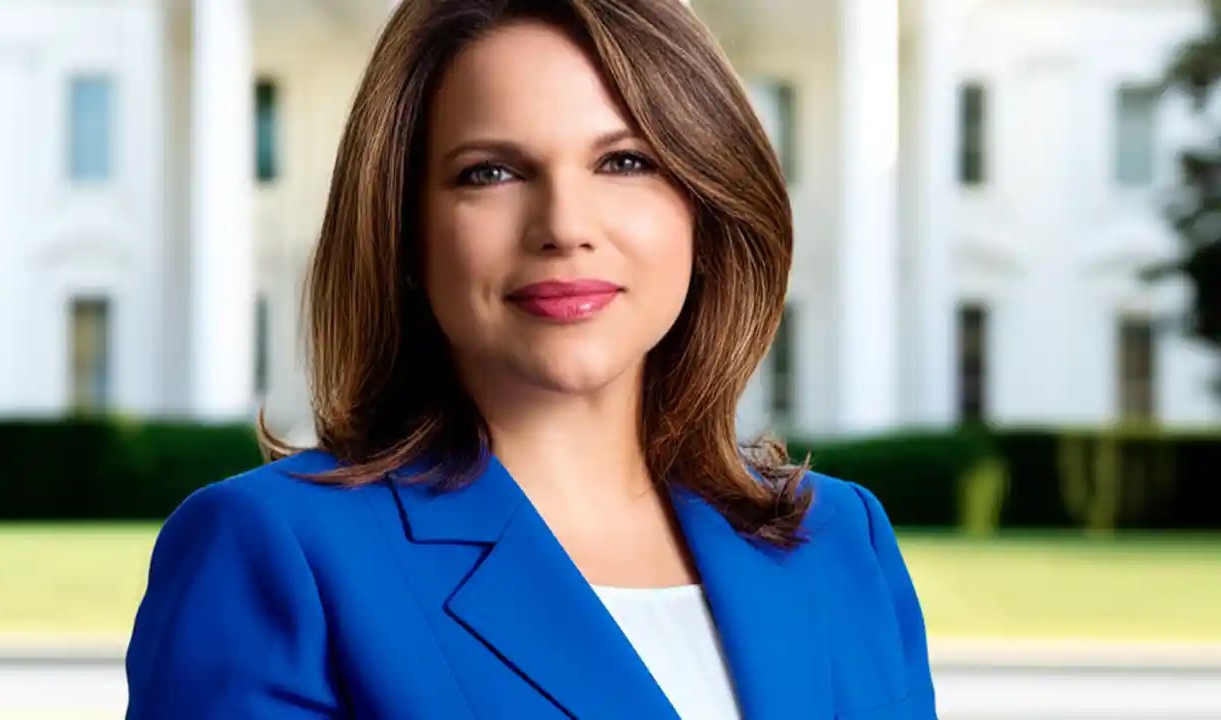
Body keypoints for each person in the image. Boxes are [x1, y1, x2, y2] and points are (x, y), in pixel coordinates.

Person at [125, 0, 937, 717]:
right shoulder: (277, 554)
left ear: (704, 203)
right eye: (492, 172)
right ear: (404, 229)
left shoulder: (838, 541)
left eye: (625, 161)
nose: (565, 224)